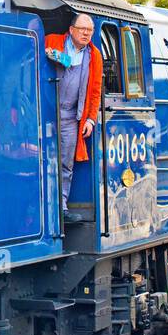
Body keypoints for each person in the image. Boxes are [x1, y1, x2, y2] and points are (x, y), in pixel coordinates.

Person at [45, 13, 102, 221]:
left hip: (71, 116)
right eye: (82, 29)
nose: (86, 34)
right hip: (45, 111)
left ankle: (61, 207)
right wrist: (48, 54)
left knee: (66, 163)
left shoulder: (94, 56)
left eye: (90, 31)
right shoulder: (52, 40)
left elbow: (95, 90)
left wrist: (90, 119)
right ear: (71, 30)